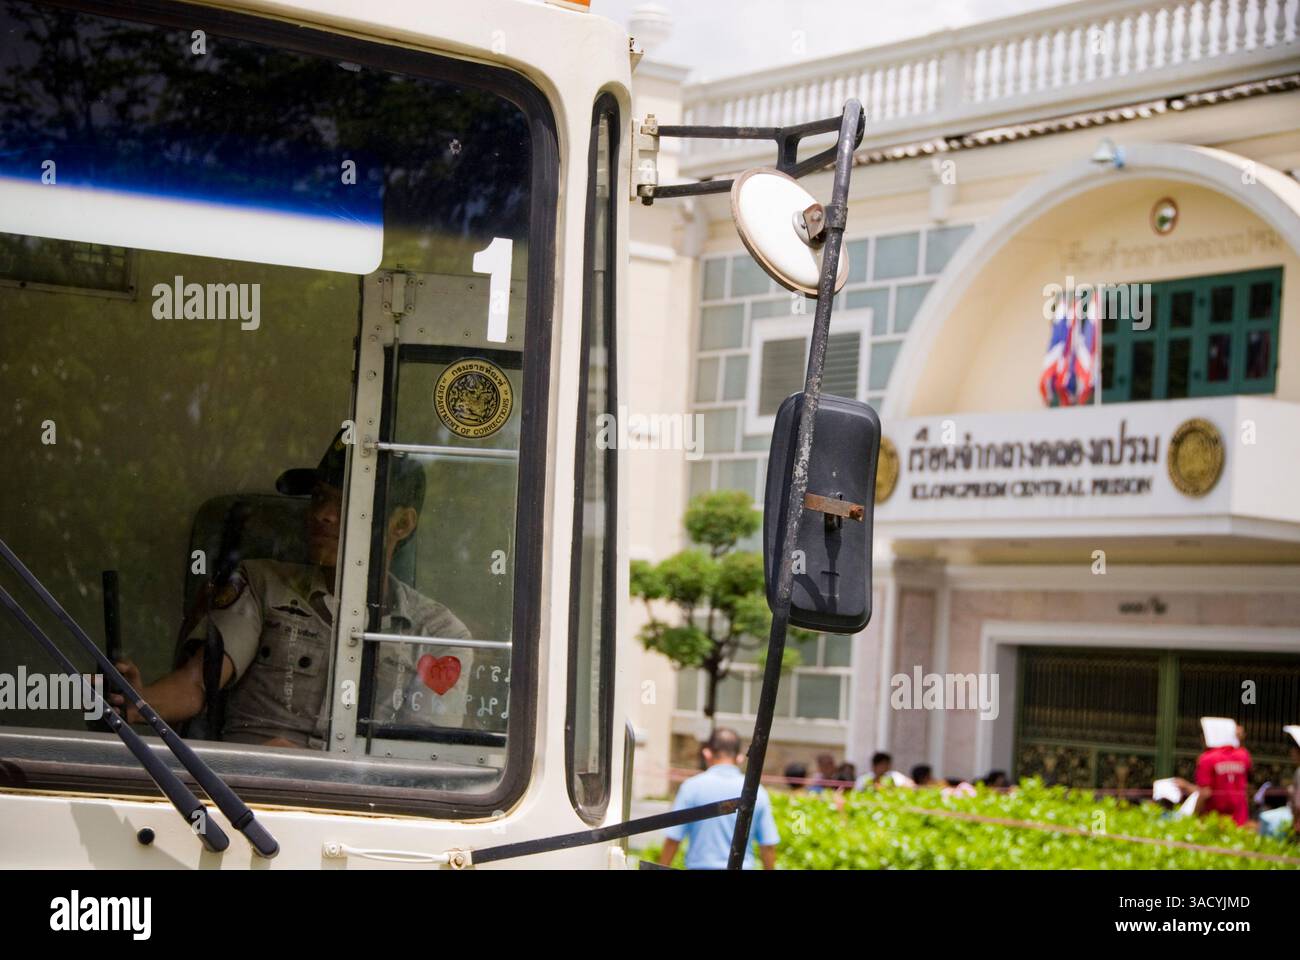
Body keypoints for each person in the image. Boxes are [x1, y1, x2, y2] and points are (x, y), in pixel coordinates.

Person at [110, 431, 472, 749]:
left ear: (402, 524)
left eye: (348, 502)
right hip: (240, 792)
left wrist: (317, 766)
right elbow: (197, 683)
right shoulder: (260, 583)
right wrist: (139, 701)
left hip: (356, 809)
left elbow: (425, 759)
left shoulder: (439, 635)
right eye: (318, 498)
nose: (323, 515)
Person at [659, 728, 779, 870]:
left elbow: (673, 839)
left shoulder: (691, 787)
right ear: (740, 758)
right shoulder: (757, 792)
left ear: (707, 754)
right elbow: (768, 846)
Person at [1193, 716, 1252, 826]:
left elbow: (1205, 793)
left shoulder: (1207, 759)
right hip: (1239, 820)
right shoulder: (1243, 755)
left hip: (1214, 820)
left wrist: (1193, 816)